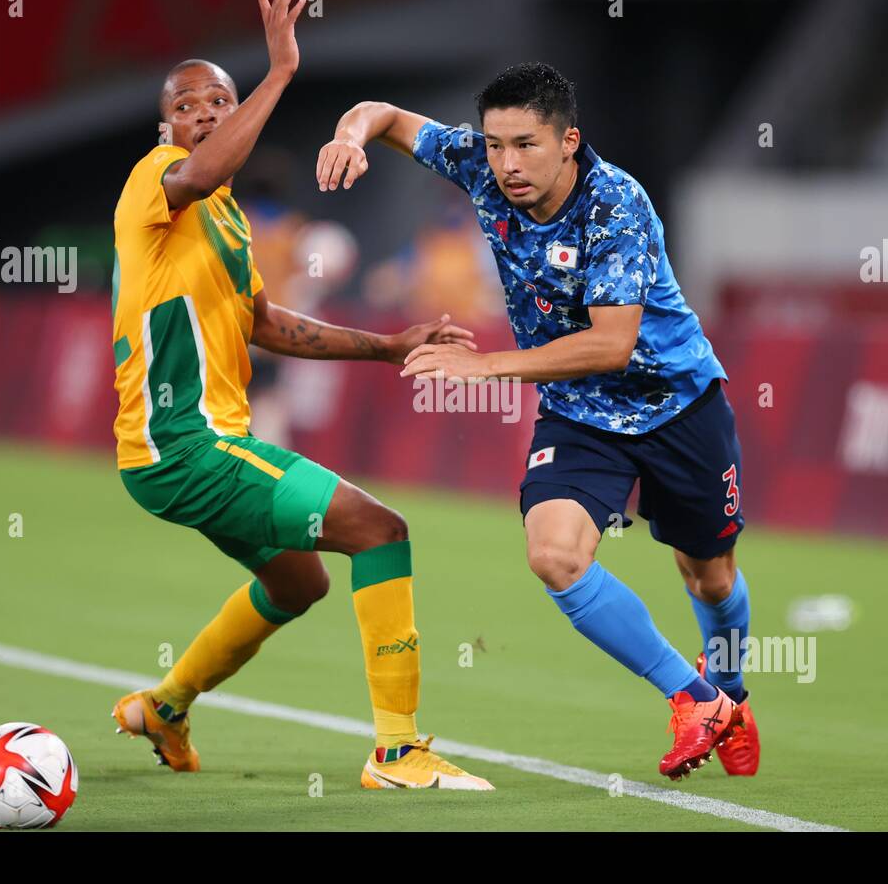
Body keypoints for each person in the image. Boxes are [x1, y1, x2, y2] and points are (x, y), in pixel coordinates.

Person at [317, 62, 760, 780]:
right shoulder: (481, 167)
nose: (506, 164)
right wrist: (350, 136)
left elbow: (612, 344)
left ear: (569, 141)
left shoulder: (615, 204)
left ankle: (733, 692)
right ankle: (695, 696)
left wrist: (481, 367)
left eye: (525, 144)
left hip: (676, 405)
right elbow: (383, 112)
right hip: (578, 413)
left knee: (708, 577)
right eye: (494, 144)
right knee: (553, 555)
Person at [108, 0, 491, 790]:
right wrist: (279, 73)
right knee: (380, 530)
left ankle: (167, 706)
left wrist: (388, 346)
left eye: (219, 99)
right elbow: (202, 170)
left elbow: (266, 325)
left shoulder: (229, 222)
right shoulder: (159, 179)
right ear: (165, 125)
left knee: (299, 579)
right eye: (188, 105)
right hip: (187, 443)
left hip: (199, 446)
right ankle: (397, 752)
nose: (205, 112)